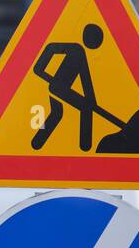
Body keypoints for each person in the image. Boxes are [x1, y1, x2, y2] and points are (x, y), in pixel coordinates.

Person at [31, 23, 128, 152]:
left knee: (58, 113)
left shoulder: (80, 52)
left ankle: (37, 144)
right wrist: (44, 74)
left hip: (60, 89)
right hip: (58, 88)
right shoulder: (75, 49)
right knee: (75, 110)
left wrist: (91, 100)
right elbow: (49, 50)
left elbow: (85, 79)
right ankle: (85, 146)